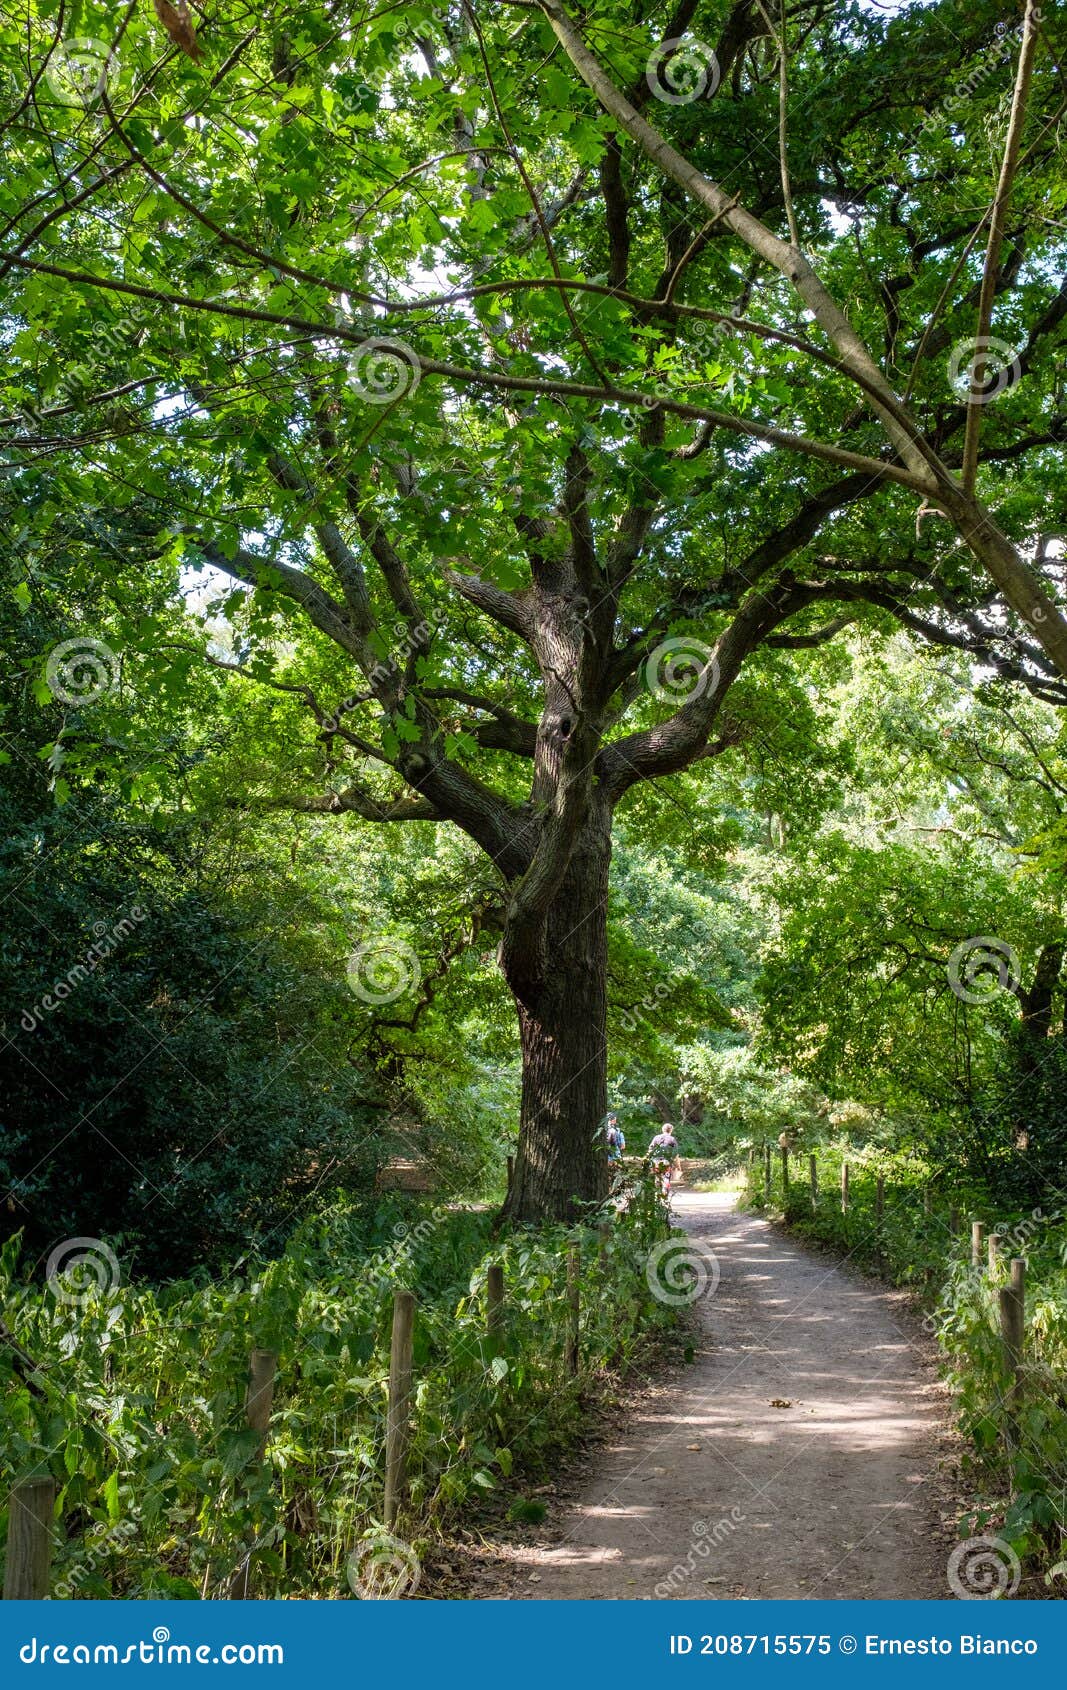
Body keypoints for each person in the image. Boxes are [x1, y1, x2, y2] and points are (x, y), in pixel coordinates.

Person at [647, 1123, 681, 1199]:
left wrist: (647, 1160)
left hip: (655, 1161)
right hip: (666, 1162)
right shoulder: (672, 1139)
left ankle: (657, 1194)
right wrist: (678, 1166)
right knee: (666, 1177)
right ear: (671, 1130)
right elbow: (676, 1154)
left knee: (657, 1177)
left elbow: (650, 1150)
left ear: (663, 1129)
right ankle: (665, 1192)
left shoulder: (656, 1137)